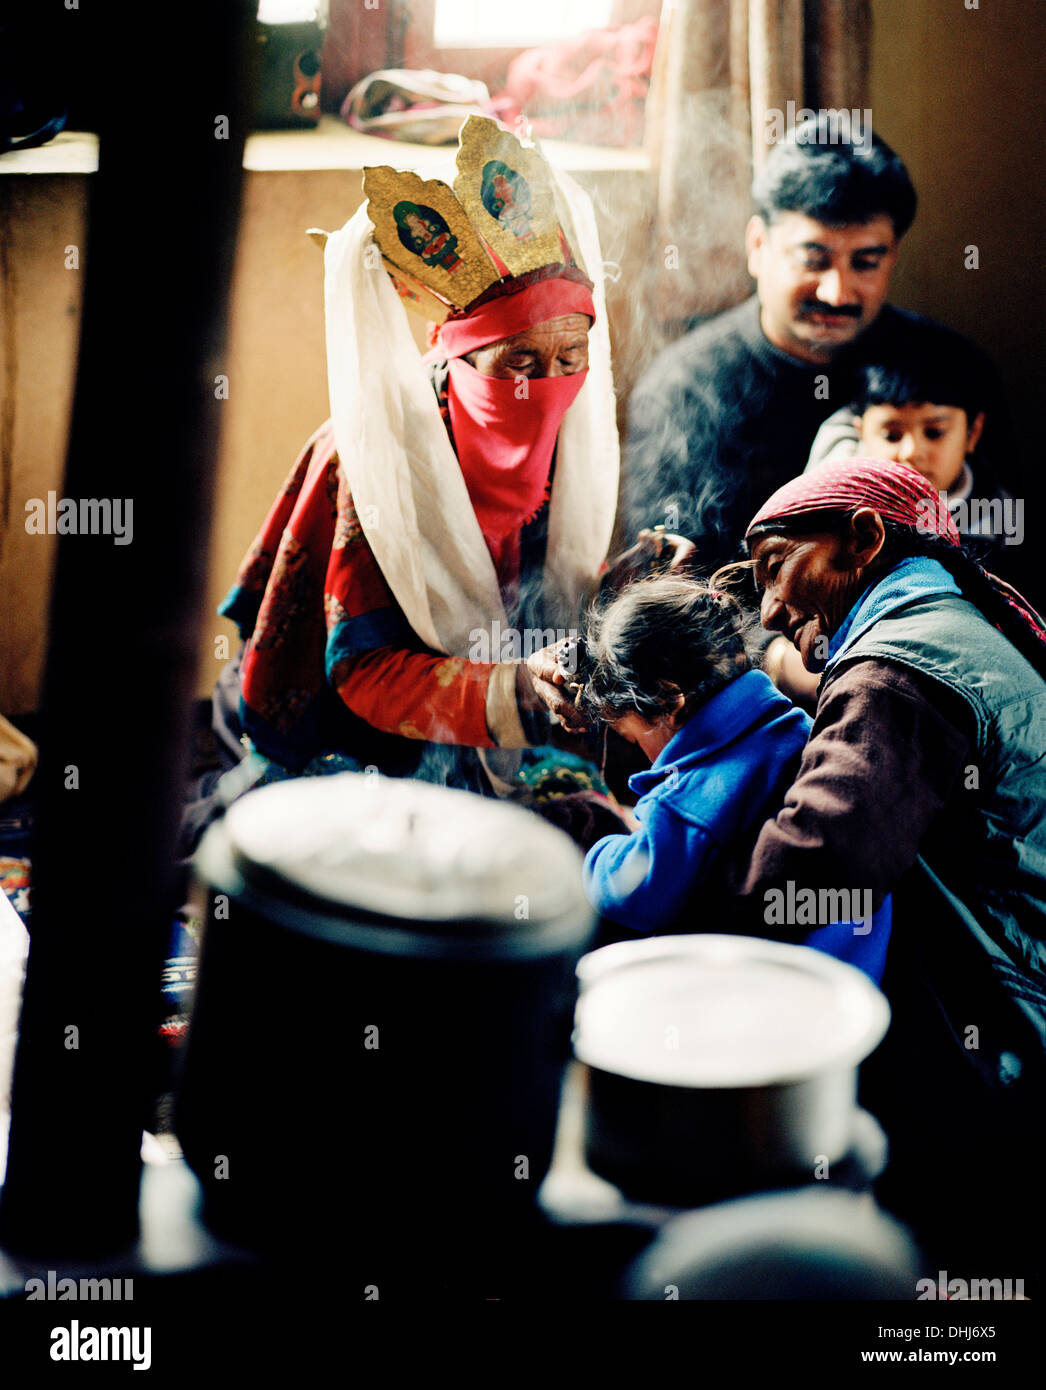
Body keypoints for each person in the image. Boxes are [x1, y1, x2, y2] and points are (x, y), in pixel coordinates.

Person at [203, 116, 621, 825]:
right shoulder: (372, 463)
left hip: (502, 708)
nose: (546, 388)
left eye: (570, 361)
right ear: (456, 360)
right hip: (361, 729)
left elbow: (557, 589)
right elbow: (362, 668)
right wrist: (513, 685)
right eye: (518, 365)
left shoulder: (573, 436)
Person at [729, 456, 1046, 1277]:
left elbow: (803, 881)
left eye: (776, 568)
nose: (769, 607)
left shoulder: (896, 672)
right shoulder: (943, 629)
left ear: (865, 539)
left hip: (1012, 1031)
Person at [623, 117, 1018, 575]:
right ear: (758, 245)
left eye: (865, 263)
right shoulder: (685, 387)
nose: (836, 292)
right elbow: (670, 587)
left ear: (892, 256)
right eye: (814, 260)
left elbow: (1011, 559)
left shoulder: (955, 375)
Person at [575, 575, 890, 979]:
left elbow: (637, 894)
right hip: (856, 969)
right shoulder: (796, 727)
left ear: (670, 701)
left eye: (632, 736)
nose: (642, 752)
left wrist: (594, 858)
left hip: (784, 997)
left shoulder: (689, 799)